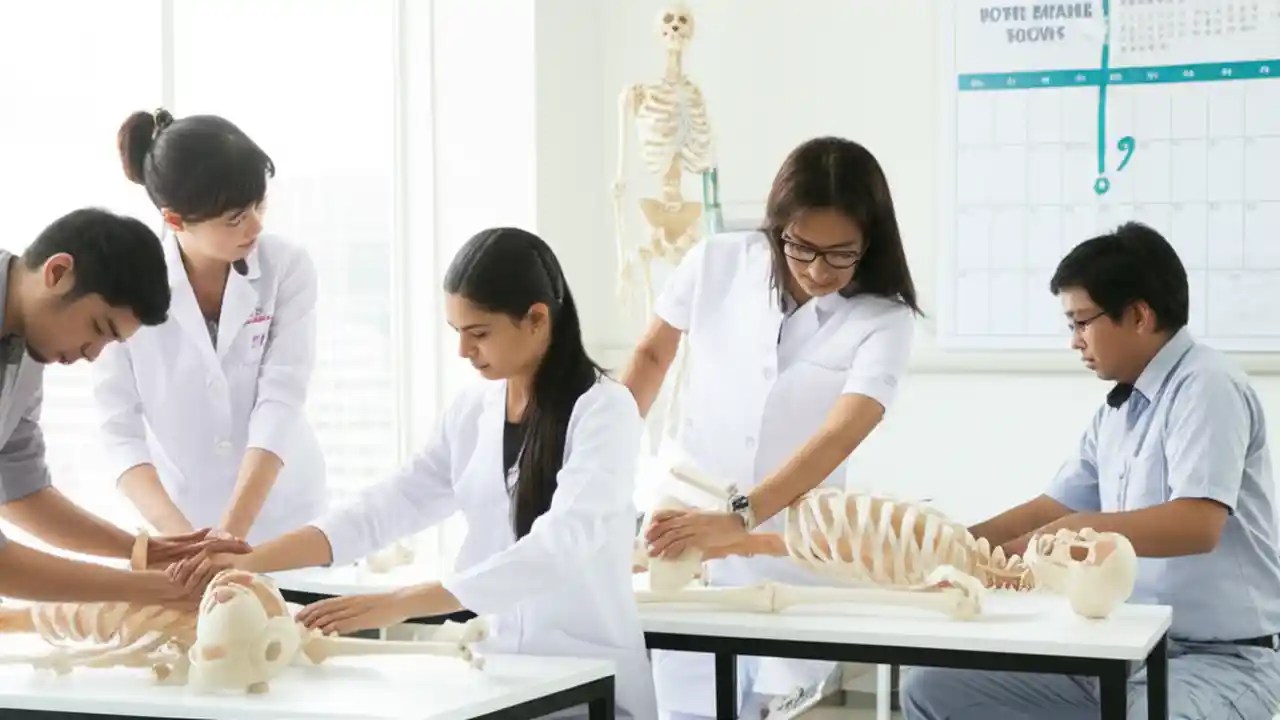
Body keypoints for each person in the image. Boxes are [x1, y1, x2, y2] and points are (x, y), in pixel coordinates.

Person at [170, 227, 658, 718]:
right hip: (505, 678)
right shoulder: (473, 411)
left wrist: (404, 601)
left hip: (590, 682)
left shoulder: (605, 410)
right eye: (456, 333)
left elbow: (561, 544)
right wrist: (251, 561)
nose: (464, 351)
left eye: (479, 333)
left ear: (536, 319)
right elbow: (386, 507)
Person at [901, 222, 1280, 718]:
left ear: (1140, 315)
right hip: (1124, 646)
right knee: (933, 687)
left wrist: (1077, 530)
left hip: (1221, 658)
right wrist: (948, 547)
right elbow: (1049, 508)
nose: (1075, 341)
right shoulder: (1118, 411)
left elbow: (1198, 523)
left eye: (1081, 322)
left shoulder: (1207, 385)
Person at [629, 136, 922, 718]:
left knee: (779, 705)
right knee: (685, 703)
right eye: (802, 247)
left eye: (841, 253)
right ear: (777, 227)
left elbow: (842, 431)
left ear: (871, 242)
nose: (818, 269)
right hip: (685, 523)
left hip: (791, 543)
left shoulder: (884, 319)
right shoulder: (717, 261)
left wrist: (741, 517)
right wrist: (593, 458)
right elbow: (651, 359)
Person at [92, 108, 327, 545]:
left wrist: (231, 533)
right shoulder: (124, 288)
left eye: (260, 203)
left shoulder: (286, 267)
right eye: (234, 218)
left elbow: (282, 397)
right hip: (183, 515)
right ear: (175, 220)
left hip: (285, 513)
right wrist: (184, 537)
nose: (256, 225)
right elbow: (118, 427)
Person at [0, 207, 247, 603]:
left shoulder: (29, 346)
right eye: (99, 328)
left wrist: (141, 550)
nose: (93, 354)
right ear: (58, 273)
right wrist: (154, 589)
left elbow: (18, 490)